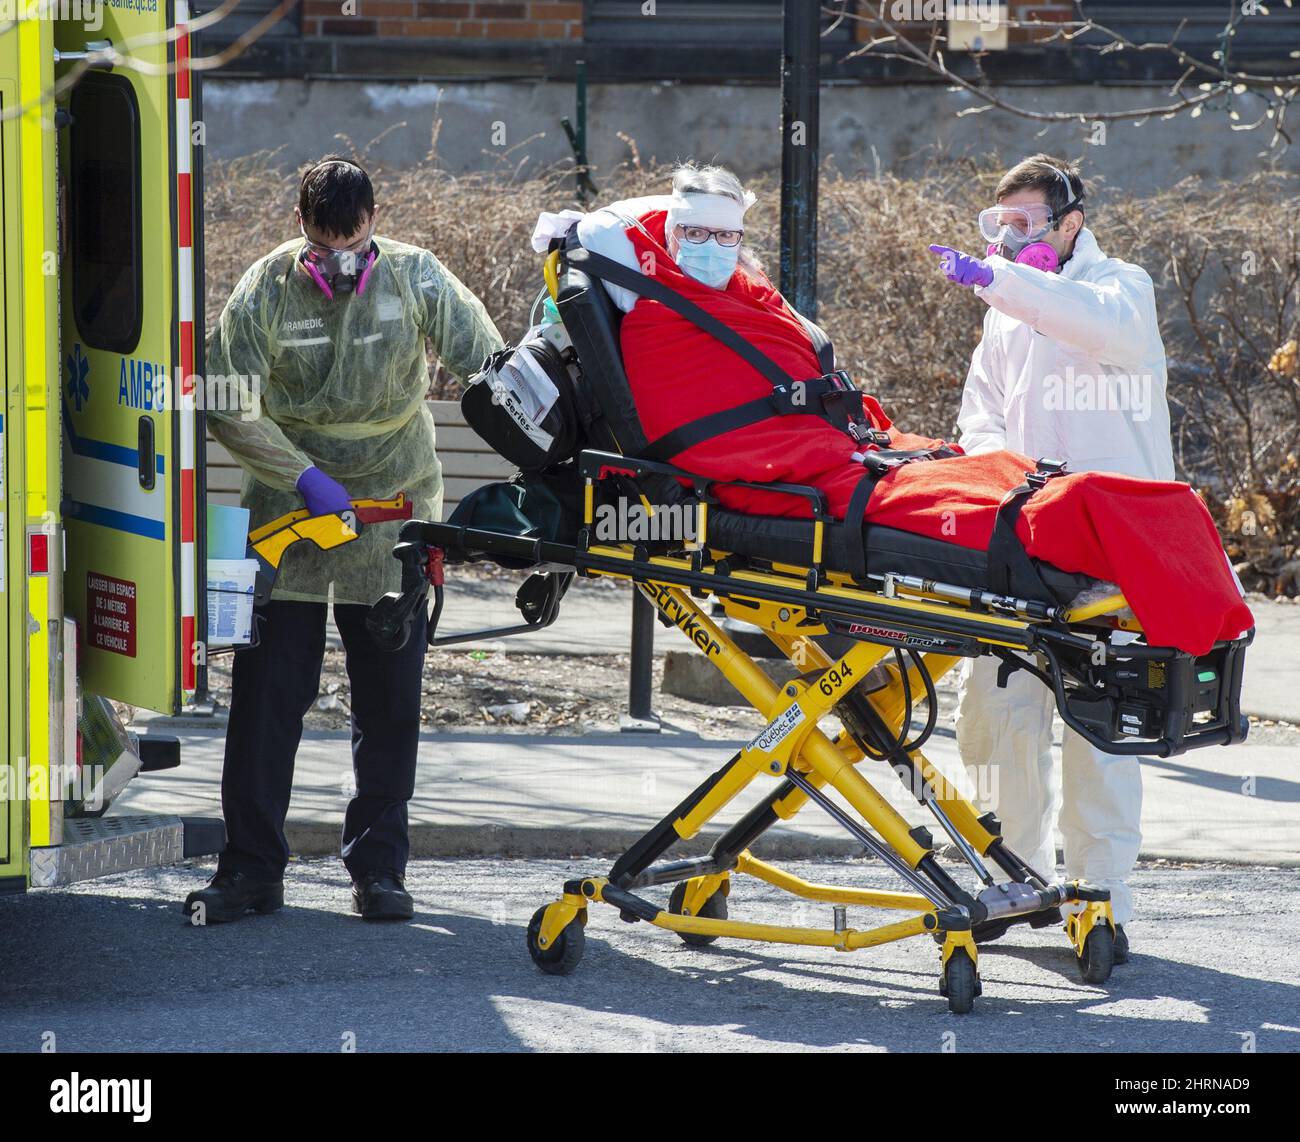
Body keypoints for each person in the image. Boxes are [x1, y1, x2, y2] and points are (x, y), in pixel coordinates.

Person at [187, 156, 503, 923]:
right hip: (287, 521)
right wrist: (301, 476)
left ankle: (380, 871)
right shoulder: (267, 286)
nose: (340, 263)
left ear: (375, 222)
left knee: (389, 703)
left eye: (354, 245)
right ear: (301, 228)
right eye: (325, 250)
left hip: (391, 516)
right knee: (267, 701)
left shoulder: (415, 278)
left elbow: (487, 363)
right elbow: (228, 400)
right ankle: (253, 868)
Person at [928, 154, 1175, 961]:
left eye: (1025, 224)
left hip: (1113, 552)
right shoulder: (1005, 310)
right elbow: (983, 417)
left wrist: (999, 278)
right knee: (999, 725)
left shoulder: (1121, 289)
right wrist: (1008, 487)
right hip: (1023, 542)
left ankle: (1101, 898)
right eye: (997, 225)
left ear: (1071, 224)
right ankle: (1013, 881)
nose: (1007, 240)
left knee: (1101, 735)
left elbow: (1083, 322)